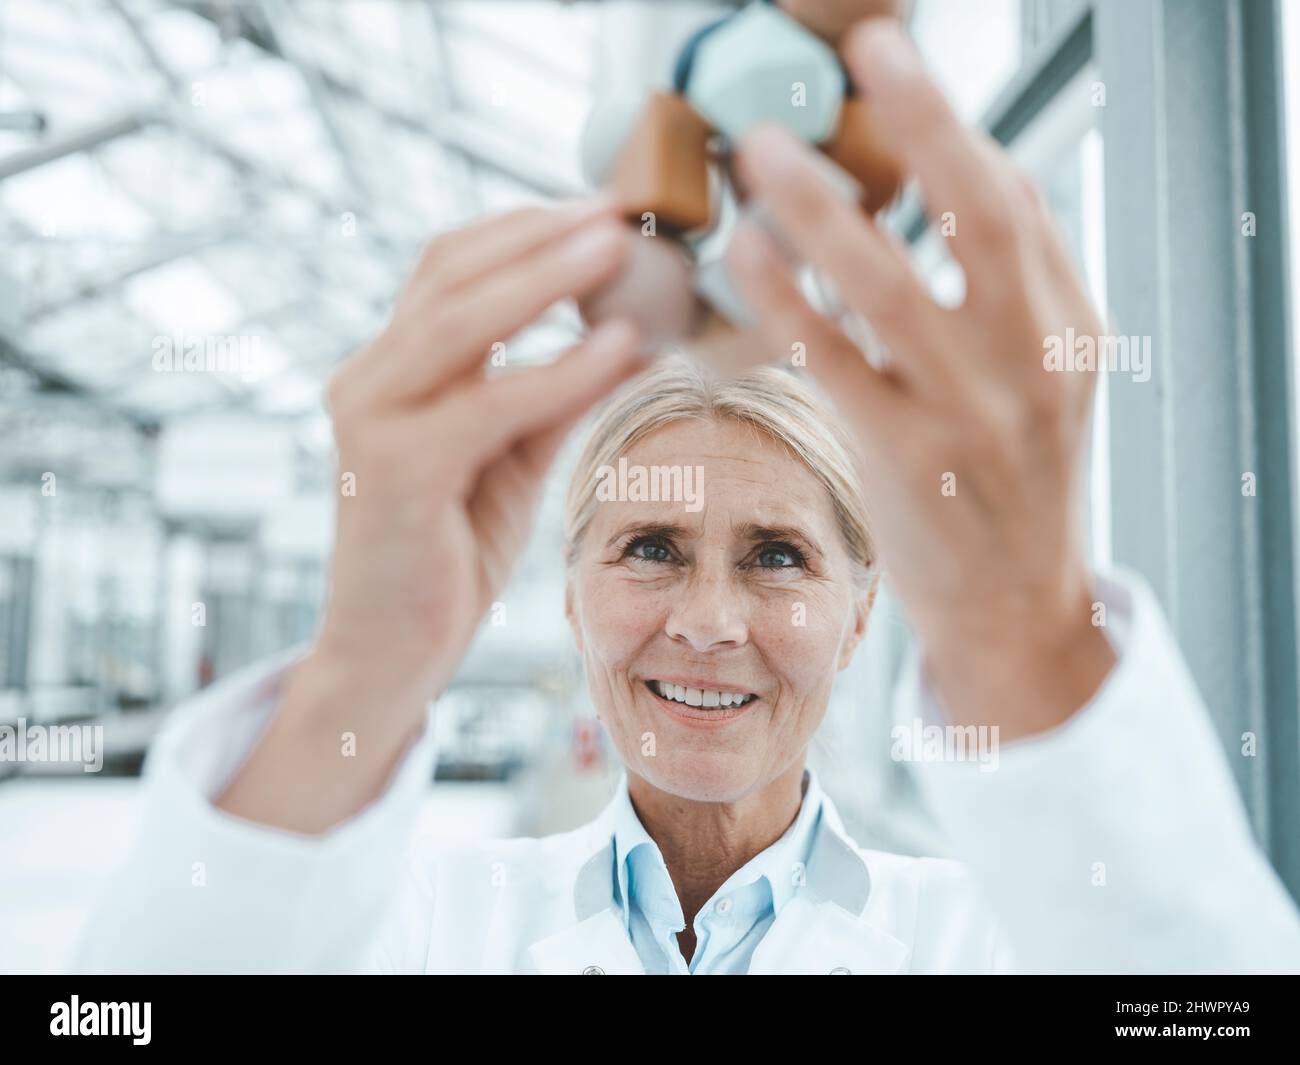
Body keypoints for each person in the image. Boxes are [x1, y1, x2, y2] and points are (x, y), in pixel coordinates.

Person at [73, 20, 1300, 974]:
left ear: (865, 608)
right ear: (568, 590)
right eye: (650, 546)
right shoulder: (424, 928)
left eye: (777, 556)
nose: (709, 620)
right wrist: (360, 670)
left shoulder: (991, 939)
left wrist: (1028, 640)